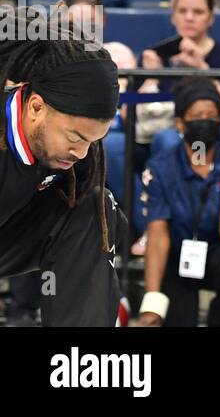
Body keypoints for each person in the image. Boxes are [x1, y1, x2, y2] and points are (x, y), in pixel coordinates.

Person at [0, 36, 126, 326]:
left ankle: (80, 364)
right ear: (35, 107)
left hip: (9, 234)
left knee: (96, 208)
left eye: (93, 140)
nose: (81, 153)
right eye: (75, 137)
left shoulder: (73, 153)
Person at [137, 78, 220, 327]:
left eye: (211, 115)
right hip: (179, 262)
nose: (204, 121)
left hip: (219, 256)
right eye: (197, 116)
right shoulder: (161, 167)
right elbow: (158, 235)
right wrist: (151, 307)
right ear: (181, 123)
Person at [140, 0, 220, 126]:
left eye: (198, 12)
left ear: (211, 18)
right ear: (173, 17)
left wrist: (203, 70)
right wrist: (152, 78)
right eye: (182, 11)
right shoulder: (155, 56)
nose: (189, 18)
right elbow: (128, 116)